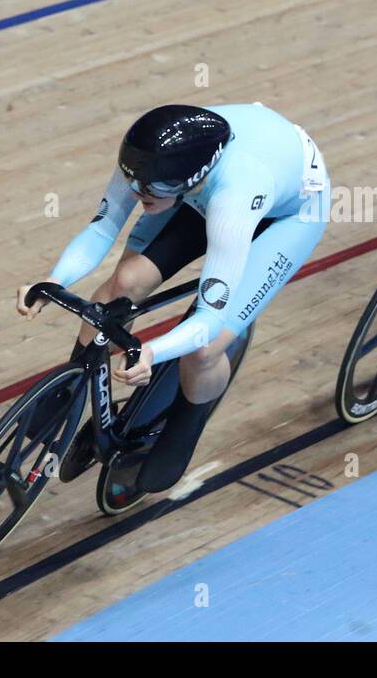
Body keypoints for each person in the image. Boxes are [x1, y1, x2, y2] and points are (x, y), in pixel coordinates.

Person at [17, 102, 328, 493]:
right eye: (134, 184)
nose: (138, 194)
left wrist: (153, 351)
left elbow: (209, 320)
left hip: (288, 214)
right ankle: (76, 385)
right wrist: (52, 279)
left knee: (205, 349)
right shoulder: (149, 158)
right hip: (202, 193)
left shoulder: (233, 196)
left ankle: (185, 424)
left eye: (151, 190)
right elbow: (101, 229)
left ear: (191, 177)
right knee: (124, 284)